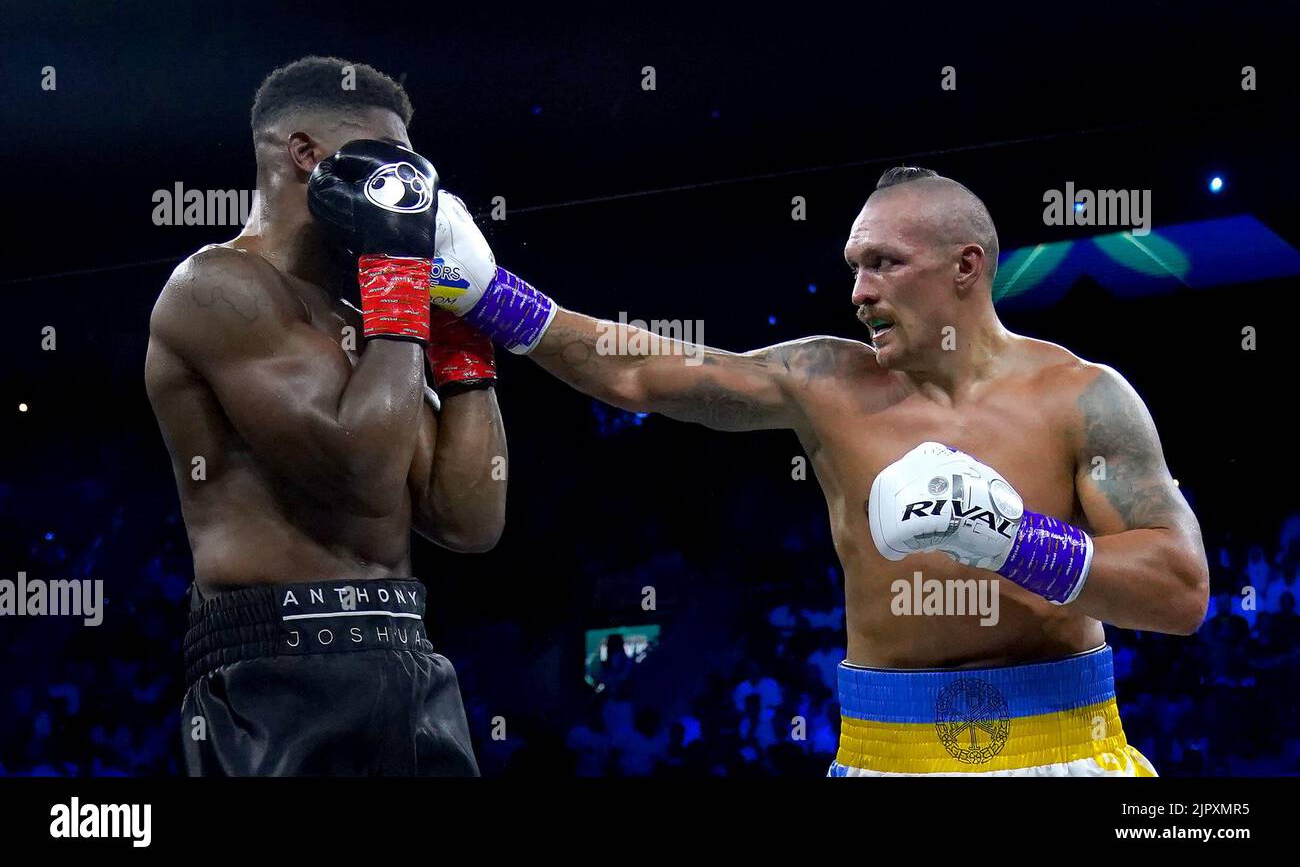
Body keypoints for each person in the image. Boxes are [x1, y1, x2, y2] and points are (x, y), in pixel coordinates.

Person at [420, 160, 1209, 776]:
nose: (859, 292)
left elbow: (1180, 590)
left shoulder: (1084, 397)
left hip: (1065, 746)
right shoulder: (826, 381)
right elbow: (641, 373)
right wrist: (492, 296)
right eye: (853, 266)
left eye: (885, 264)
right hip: (887, 753)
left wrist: (1011, 539)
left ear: (966, 266)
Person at [146, 56, 506, 775]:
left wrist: (467, 335)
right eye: (389, 161)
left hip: (412, 658)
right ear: (306, 155)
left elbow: (470, 521)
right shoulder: (215, 286)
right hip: (276, 675)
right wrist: (402, 281)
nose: (411, 189)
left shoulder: (368, 317)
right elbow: (362, 472)